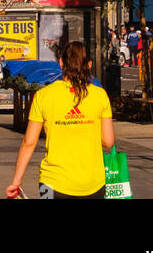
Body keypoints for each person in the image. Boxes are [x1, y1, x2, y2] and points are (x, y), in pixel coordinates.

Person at [6, 41, 115, 199]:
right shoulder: (100, 96)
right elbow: (108, 141)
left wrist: (16, 182)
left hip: (52, 183)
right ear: (89, 65)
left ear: (61, 63)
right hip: (93, 184)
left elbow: (29, 142)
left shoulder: (43, 96)